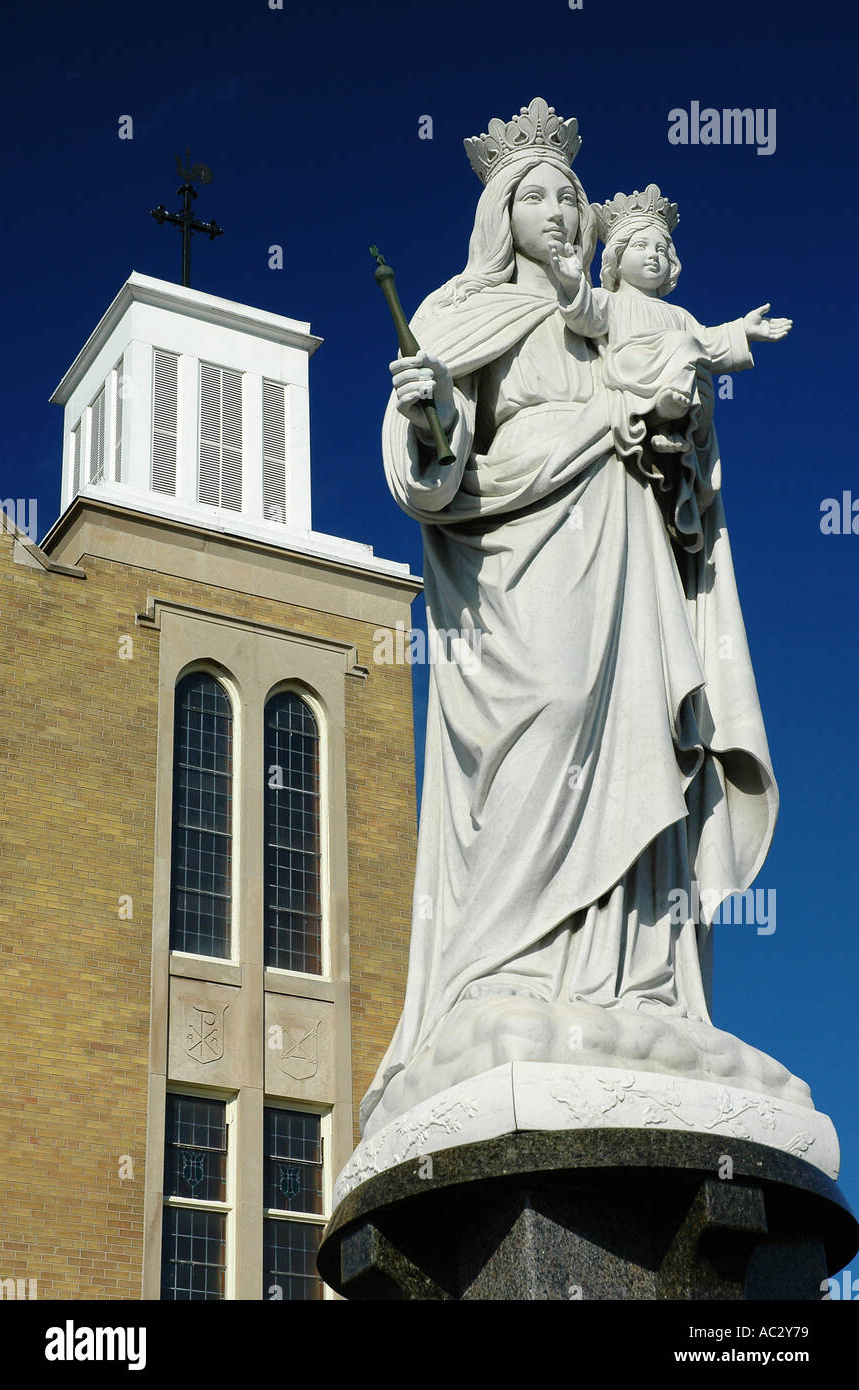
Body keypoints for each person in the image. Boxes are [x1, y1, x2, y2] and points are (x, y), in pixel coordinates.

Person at [360, 100, 778, 1140]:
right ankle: (502, 969)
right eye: (536, 195)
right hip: (525, 556)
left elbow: (675, 442)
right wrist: (432, 411)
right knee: (543, 718)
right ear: (503, 213)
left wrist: (683, 405)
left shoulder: (605, 321)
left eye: (569, 197)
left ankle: (632, 983)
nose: (558, 210)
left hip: (626, 552)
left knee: (643, 749)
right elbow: (438, 451)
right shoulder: (467, 309)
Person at [550, 184, 792, 547]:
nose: (653, 256)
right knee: (684, 348)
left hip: (680, 380)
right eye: (641, 246)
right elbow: (584, 317)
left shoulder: (678, 315)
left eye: (662, 250)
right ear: (616, 258)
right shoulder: (609, 300)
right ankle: (661, 413)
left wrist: (743, 330)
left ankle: (673, 423)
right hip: (633, 370)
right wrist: (571, 282)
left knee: (693, 358)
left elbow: (708, 344)